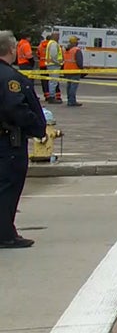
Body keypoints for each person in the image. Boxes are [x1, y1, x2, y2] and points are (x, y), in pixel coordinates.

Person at [0, 29, 47, 248]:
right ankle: (5, 234)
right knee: (8, 186)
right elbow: (15, 107)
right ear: (11, 49)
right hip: (8, 142)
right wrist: (35, 125)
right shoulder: (10, 78)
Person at [62, 36, 85, 107]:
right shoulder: (76, 50)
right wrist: (82, 70)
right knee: (73, 87)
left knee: (69, 86)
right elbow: (79, 62)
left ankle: (69, 100)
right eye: (77, 41)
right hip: (75, 70)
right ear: (75, 42)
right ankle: (72, 101)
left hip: (67, 70)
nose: (78, 42)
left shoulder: (66, 50)